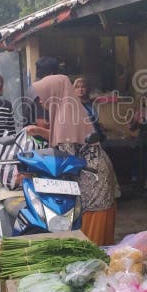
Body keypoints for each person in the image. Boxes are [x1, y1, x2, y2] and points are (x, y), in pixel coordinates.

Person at [29, 74, 120, 246]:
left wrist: (35, 172)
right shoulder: (68, 110)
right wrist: (40, 131)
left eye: (43, 95)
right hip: (99, 177)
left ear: (54, 94)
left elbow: (65, 161)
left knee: (91, 247)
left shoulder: (65, 117)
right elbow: (68, 140)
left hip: (94, 186)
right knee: (100, 245)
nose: (40, 101)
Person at [73, 77, 105, 142]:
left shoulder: (91, 104)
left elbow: (95, 120)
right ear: (74, 90)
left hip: (96, 138)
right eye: (77, 87)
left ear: (88, 89)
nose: (80, 89)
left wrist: (98, 125)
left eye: (83, 87)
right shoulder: (73, 105)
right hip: (83, 140)